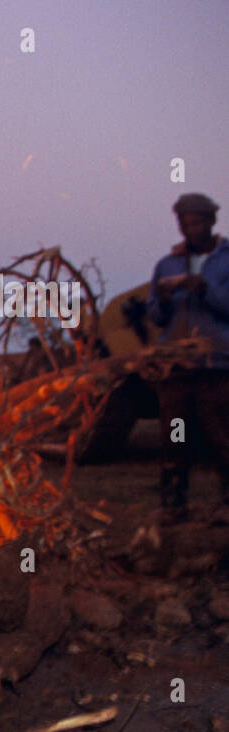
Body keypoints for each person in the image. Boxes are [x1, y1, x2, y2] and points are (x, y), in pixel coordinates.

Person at [146, 192, 229, 519]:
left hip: (218, 364)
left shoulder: (226, 260)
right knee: (174, 437)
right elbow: (155, 316)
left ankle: (227, 504)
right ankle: (174, 504)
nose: (190, 229)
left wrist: (205, 290)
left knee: (222, 435)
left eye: (196, 222)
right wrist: (165, 299)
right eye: (184, 223)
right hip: (177, 368)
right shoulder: (166, 265)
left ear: (211, 222)